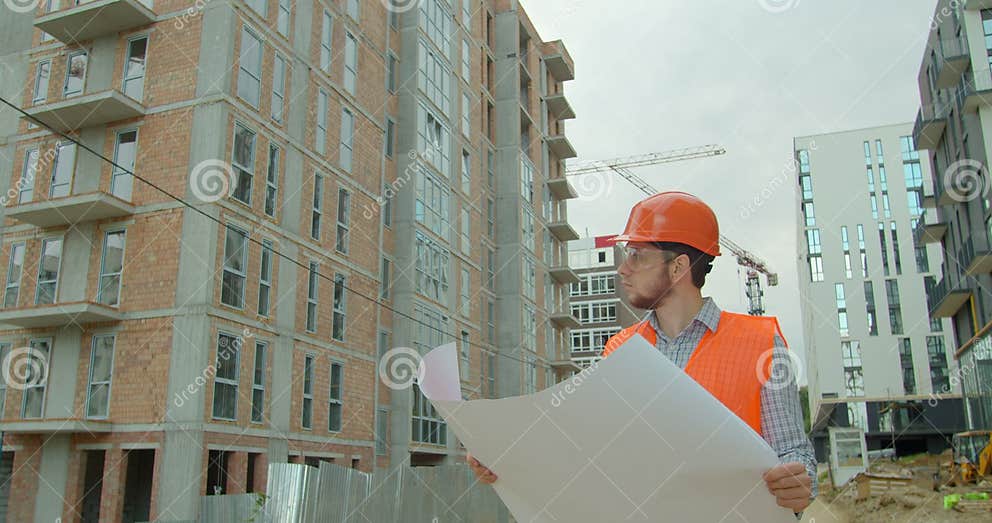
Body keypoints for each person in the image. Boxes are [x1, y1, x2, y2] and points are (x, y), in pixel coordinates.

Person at [468, 191, 816, 514]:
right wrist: (511, 462)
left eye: (637, 256)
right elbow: (592, 453)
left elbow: (793, 452)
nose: (623, 268)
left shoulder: (761, 341)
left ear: (678, 268)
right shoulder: (620, 350)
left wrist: (802, 483)